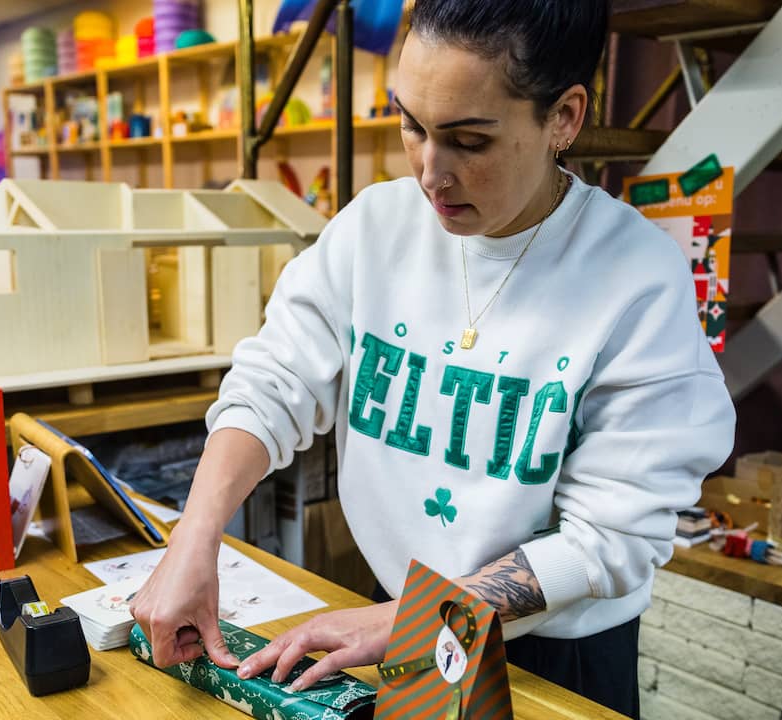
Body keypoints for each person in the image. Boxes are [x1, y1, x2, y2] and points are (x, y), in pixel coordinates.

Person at [129, 0, 735, 715]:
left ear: (564, 118)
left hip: (547, 655)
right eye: (411, 125)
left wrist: (410, 620)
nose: (429, 173)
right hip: (399, 626)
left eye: (469, 141)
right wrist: (193, 540)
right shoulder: (375, 229)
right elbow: (274, 381)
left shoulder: (635, 277)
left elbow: (609, 536)